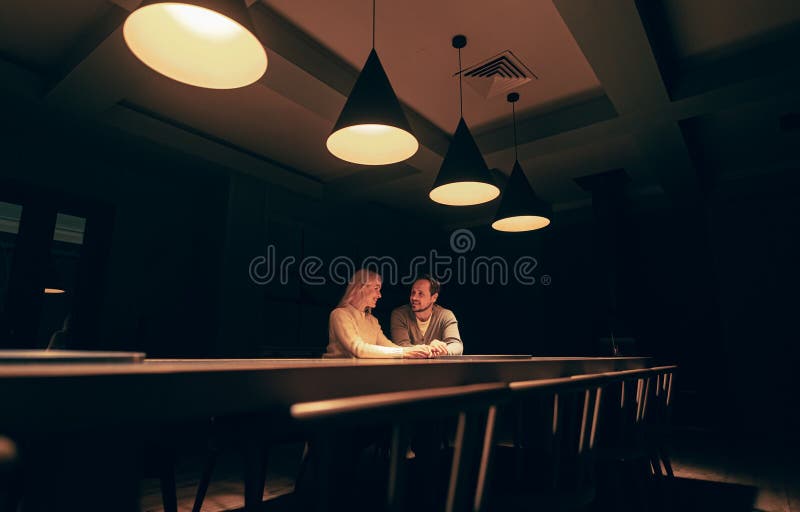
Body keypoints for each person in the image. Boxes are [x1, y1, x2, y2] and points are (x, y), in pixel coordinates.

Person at [326, 268, 432, 358]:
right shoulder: (339, 314)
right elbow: (358, 349)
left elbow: (388, 346)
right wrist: (405, 352)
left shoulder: (372, 320)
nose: (379, 295)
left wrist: (418, 349)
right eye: (376, 288)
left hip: (361, 374)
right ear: (360, 288)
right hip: (339, 376)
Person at [391, 275, 463, 356]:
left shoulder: (445, 315)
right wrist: (431, 349)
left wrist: (443, 350)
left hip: (438, 368)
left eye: (420, 293)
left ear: (434, 297)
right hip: (409, 368)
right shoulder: (400, 314)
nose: (414, 297)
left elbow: (457, 345)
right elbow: (402, 347)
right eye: (413, 292)